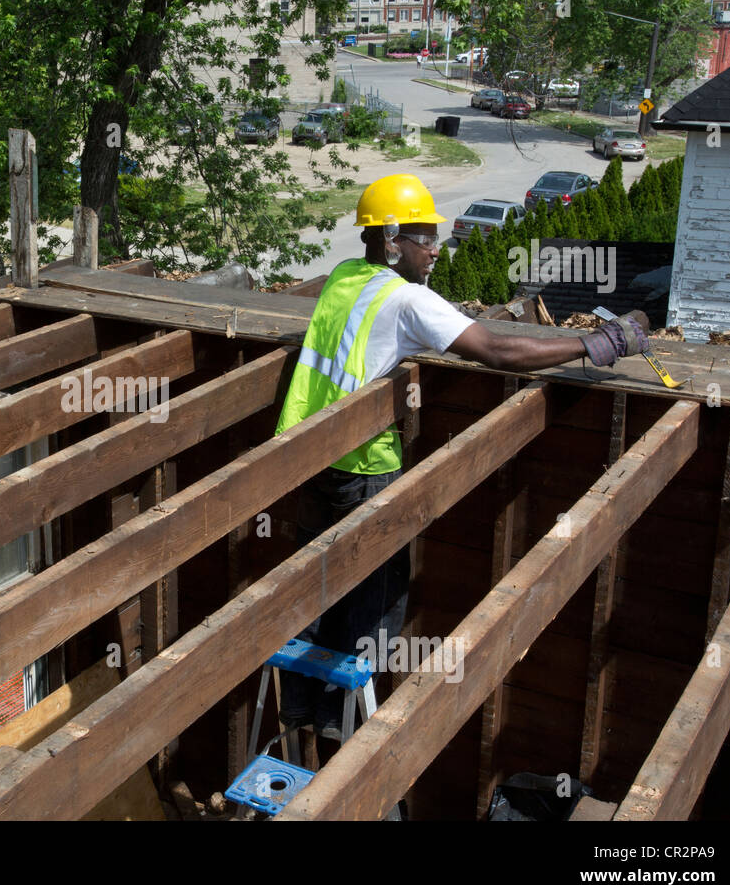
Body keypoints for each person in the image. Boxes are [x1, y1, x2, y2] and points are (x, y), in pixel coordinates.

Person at [273, 173, 648, 740]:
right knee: (375, 601)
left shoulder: (346, 276)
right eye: (427, 238)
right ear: (395, 238)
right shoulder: (407, 299)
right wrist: (596, 344)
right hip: (364, 467)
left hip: (307, 456)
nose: (436, 250)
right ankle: (338, 728)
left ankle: (299, 704)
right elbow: (498, 349)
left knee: (314, 586)